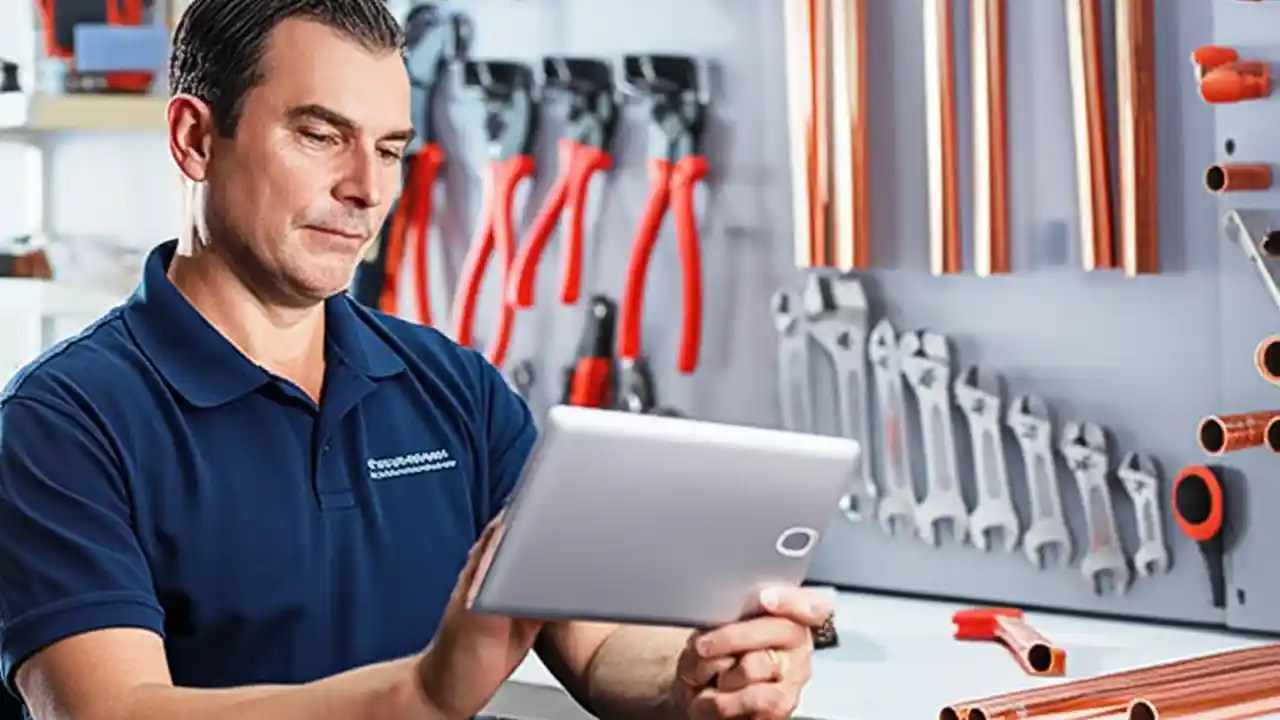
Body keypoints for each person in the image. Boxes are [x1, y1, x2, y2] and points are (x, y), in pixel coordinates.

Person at [0, 2, 834, 719]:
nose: (366, 188)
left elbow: (597, 638)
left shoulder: (454, 389)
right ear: (194, 138)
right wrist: (422, 696)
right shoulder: (59, 424)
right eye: (320, 135)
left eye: (390, 150)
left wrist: (693, 676)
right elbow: (115, 710)